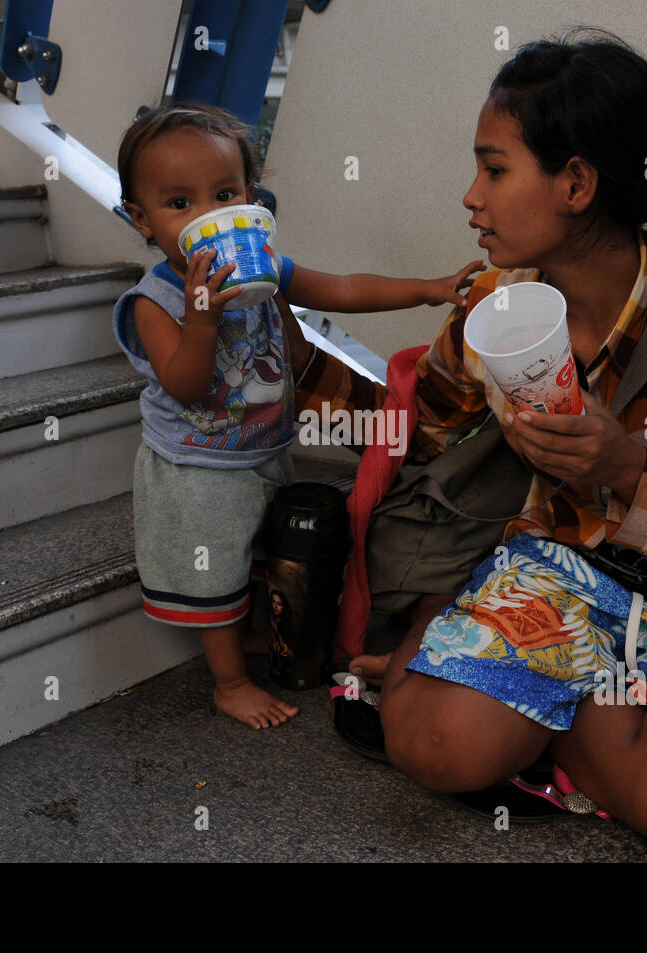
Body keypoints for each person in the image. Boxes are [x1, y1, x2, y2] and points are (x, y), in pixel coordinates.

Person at [297, 30, 647, 849]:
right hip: (565, 569)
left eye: (494, 169)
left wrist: (627, 468)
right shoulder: (496, 307)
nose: (471, 196)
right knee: (427, 738)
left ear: (576, 183)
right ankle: (605, 713)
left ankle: (552, 712)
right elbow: (415, 428)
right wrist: (293, 357)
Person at [111, 103, 482, 730]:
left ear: (251, 198)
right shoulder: (155, 303)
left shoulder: (260, 264)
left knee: (260, 549)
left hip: (262, 446)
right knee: (215, 565)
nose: (209, 216)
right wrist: (202, 320)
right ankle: (229, 682)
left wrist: (424, 288)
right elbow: (186, 383)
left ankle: (251, 636)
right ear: (142, 220)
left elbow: (340, 289)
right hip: (197, 467)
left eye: (225, 193)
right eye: (180, 204)